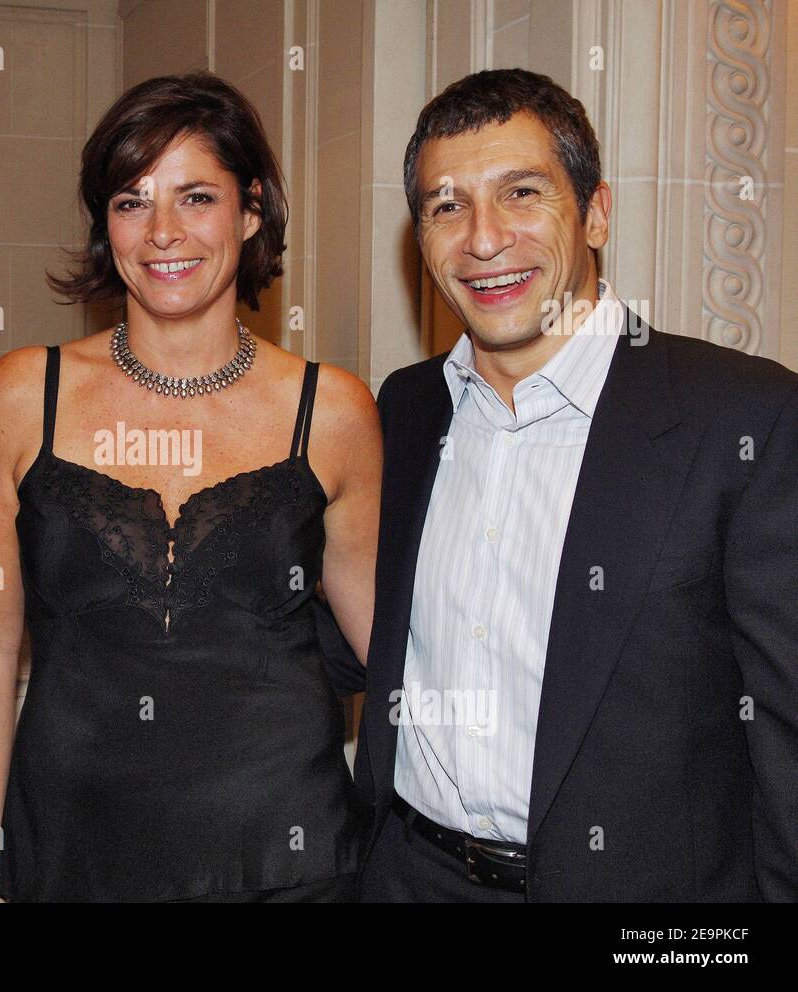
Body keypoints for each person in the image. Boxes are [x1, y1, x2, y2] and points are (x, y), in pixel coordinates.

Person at [354, 69, 798, 902]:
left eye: (522, 193)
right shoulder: (406, 410)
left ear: (595, 212)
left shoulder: (747, 416)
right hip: (408, 876)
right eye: (447, 206)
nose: (483, 240)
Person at [0, 72, 380, 902]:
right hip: (69, 854)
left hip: (287, 858)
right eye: (130, 200)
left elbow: (387, 647)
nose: (162, 232)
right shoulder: (22, 394)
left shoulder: (331, 410)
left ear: (251, 211)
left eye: (196, 197)